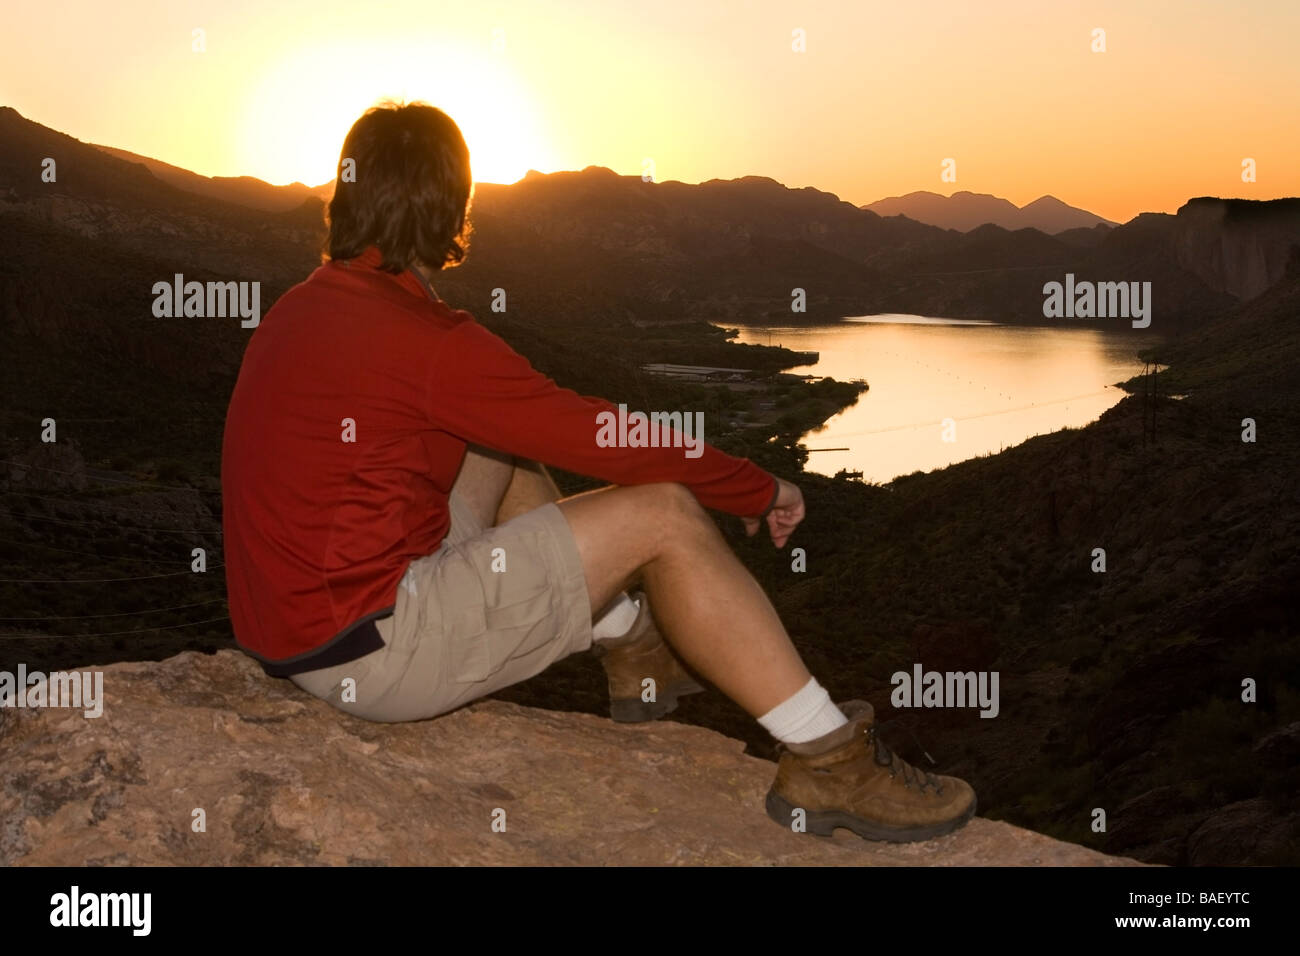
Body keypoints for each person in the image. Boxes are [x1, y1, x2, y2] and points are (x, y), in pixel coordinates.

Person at [220, 100, 976, 843]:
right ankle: (829, 759)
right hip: (378, 648)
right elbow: (606, 438)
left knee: (493, 444)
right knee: (667, 516)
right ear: (452, 205)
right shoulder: (425, 338)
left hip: (299, 632)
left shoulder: (300, 307)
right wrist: (753, 485)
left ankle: (629, 643)